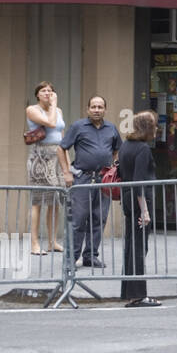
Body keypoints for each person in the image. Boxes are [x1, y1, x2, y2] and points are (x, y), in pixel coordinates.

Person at [58, 94, 121, 269]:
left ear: (105, 110)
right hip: (82, 178)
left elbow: (117, 151)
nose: (96, 110)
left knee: (98, 219)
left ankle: (91, 256)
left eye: (100, 107)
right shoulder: (78, 126)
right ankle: (71, 259)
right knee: (78, 220)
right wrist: (66, 172)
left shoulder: (112, 128)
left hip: (103, 180)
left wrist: (113, 170)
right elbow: (61, 149)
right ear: (88, 109)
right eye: (93, 107)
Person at [118, 111, 159, 307]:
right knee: (139, 247)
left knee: (131, 245)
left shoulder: (125, 146)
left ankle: (129, 291)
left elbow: (122, 173)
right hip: (139, 200)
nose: (157, 129)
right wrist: (145, 211)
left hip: (127, 199)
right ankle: (138, 295)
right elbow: (139, 181)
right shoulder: (143, 149)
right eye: (154, 125)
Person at [24, 81, 65, 255]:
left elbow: (62, 137)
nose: (48, 93)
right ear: (37, 95)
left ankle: (52, 241)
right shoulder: (32, 110)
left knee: (55, 202)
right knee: (37, 202)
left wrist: (67, 165)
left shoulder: (59, 111)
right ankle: (34, 243)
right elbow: (51, 124)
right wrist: (53, 105)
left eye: (50, 90)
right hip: (40, 156)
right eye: (44, 91)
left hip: (57, 154)